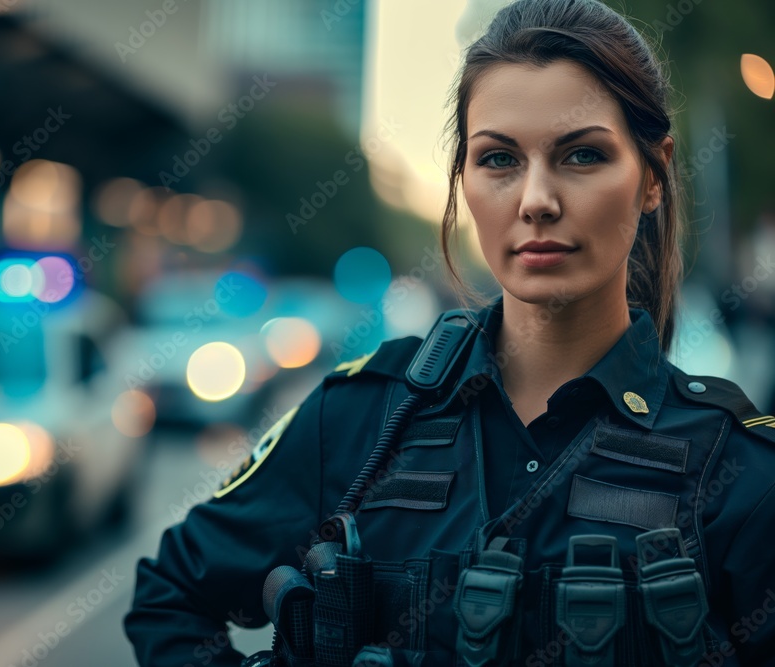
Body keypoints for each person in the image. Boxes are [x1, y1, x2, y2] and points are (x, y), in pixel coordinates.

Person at [125, 0, 775, 664]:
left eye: (582, 155)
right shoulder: (360, 422)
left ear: (654, 176)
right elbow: (169, 597)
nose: (536, 199)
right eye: (499, 159)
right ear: (462, 178)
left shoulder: (735, 468)